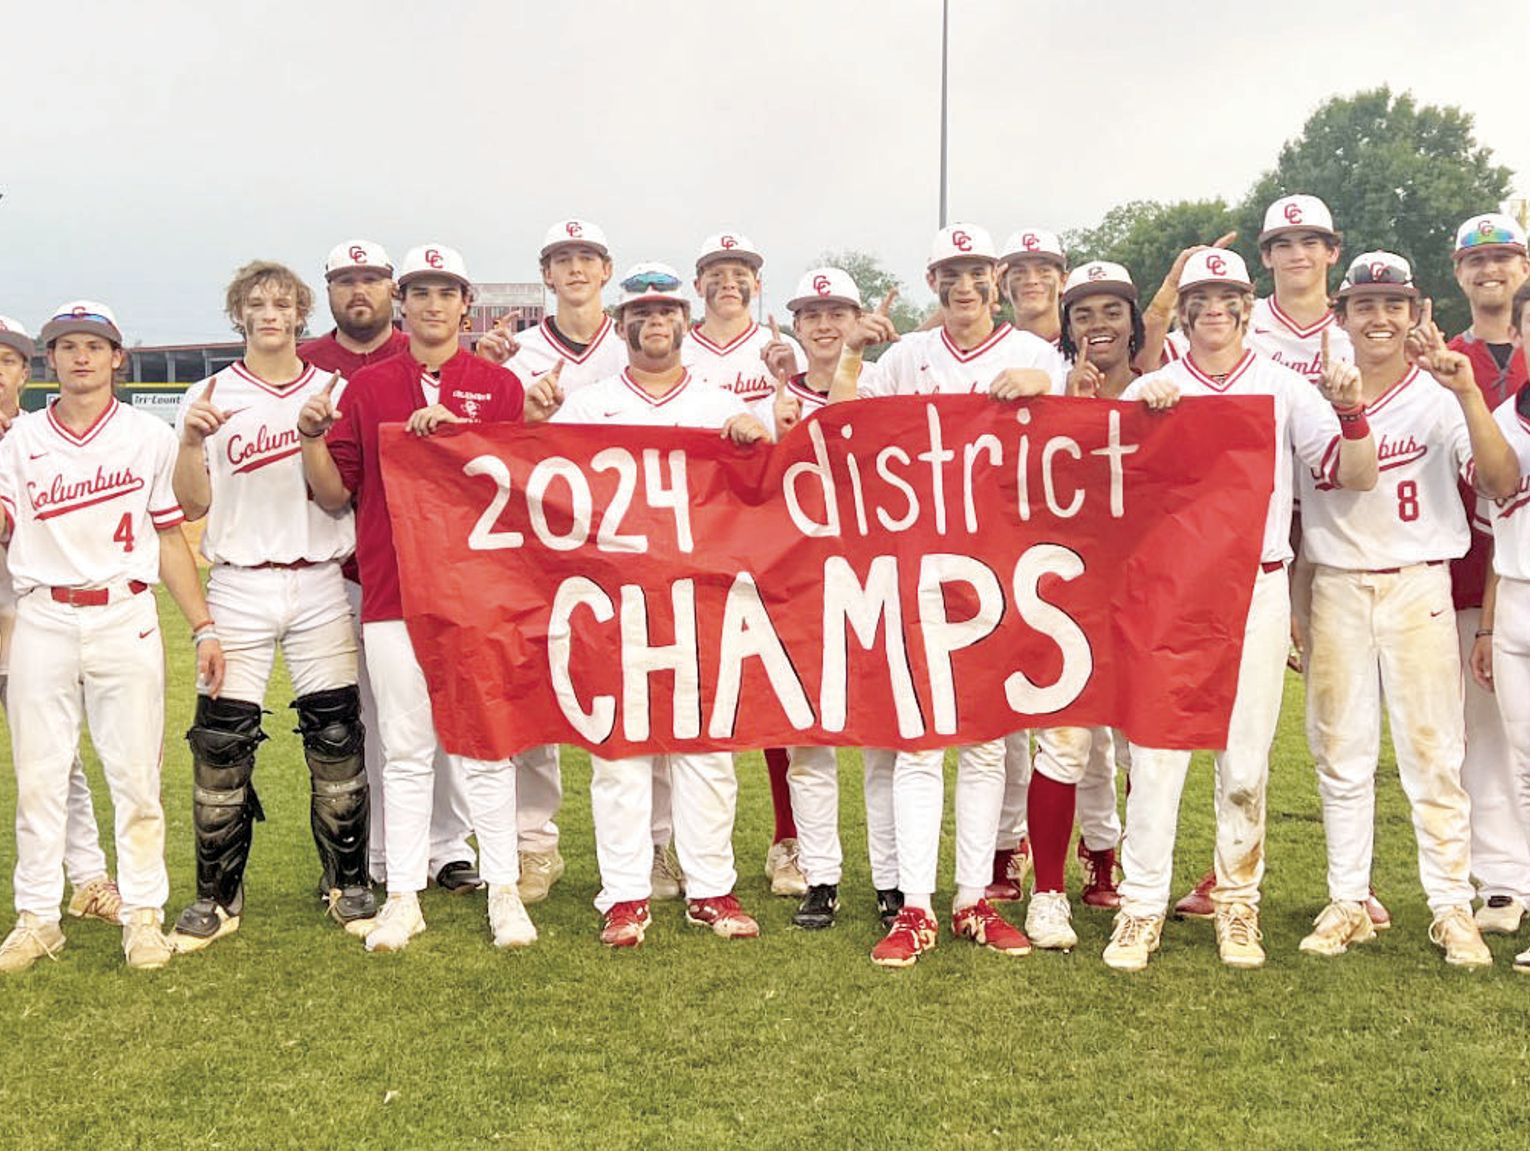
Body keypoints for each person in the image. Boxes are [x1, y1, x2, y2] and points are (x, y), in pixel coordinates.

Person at [1105, 249, 1377, 972]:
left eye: (1227, 297)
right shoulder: (1157, 385)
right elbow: (1111, 489)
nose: (1214, 310)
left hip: (1255, 583)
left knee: (1246, 758)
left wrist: (1351, 410)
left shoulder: (1281, 384)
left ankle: (1237, 900)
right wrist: (1143, 418)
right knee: (1157, 756)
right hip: (1171, 588)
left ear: (1246, 306)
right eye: (1201, 299)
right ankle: (1140, 906)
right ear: (1185, 311)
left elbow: (1354, 475)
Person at [830, 223, 1063, 967]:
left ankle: (971, 899)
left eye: (975, 272)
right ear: (932, 283)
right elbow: (841, 428)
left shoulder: (1034, 354)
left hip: (1001, 571)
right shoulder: (908, 356)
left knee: (987, 744)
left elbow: (1075, 444)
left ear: (996, 277)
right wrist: (852, 354)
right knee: (921, 743)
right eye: (949, 275)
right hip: (920, 569)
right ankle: (916, 906)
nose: (964, 286)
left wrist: (1047, 389)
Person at [299, 245, 536, 953]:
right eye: (422, 293)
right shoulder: (369, 387)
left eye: (446, 292)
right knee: (403, 750)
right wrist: (310, 439)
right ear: (403, 303)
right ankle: (404, 894)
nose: (434, 305)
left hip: (477, 595)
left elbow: (521, 488)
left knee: (487, 748)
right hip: (394, 587)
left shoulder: (498, 386)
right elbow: (334, 493)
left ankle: (503, 889)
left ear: (467, 305)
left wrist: (459, 441)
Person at [535, 261, 769, 947]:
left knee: (706, 749)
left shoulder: (720, 404)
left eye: (666, 310)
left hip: (701, 597)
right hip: (615, 599)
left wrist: (755, 441)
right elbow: (545, 490)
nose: (654, 322)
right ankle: (625, 893)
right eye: (641, 313)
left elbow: (762, 496)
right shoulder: (587, 406)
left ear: (684, 320)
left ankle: (711, 887)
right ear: (622, 324)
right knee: (619, 751)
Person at [1298, 253, 1514, 967]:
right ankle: (1348, 899)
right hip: (1337, 581)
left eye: (1394, 304)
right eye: (1365, 305)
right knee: (1341, 753)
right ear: (1342, 314)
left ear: (1416, 312)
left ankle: (1450, 906)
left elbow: (1497, 481)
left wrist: (1468, 393)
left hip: (1420, 580)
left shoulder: (1439, 390)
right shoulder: (1318, 391)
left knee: (1434, 754)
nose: (1380, 317)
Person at [0, 301, 225, 972]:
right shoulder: (21, 440)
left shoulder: (147, 436)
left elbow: (170, 538)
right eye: (67, 346)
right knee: (39, 777)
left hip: (125, 613)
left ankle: (143, 914)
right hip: (43, 614)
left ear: (116, 357)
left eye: (94, 346)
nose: (81, 357)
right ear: (50, 359)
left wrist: (203, 625)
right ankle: (37, 916)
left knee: (135, 778)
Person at [166, 261, 373, 951]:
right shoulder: (210, 392)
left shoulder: (333, 389)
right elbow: (191, 504)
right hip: (238, 582)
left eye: (283, 303)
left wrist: (313, 434)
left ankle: (346, 882)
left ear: (300, 314)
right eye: (257, 303)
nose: (270, 313)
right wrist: (190, 441)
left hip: (318, 577)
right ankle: (217, 894)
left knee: (336, 736)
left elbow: (339, 497)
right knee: (221, 744)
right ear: (240, 315)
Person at [476, 218, 626, 903]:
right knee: (535, 692)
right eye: (562, 259)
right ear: (546, 274)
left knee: (635, 692)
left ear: (606, 269)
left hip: (622, 545)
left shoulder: (632, 345)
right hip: (540, 546)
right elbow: (490, 447)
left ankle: (652, 845)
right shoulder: (517, 354)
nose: (575, 269)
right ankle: (534, 844)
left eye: (586, 257)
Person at [756, 267, 901, 932]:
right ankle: (820, 878)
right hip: (798, 585)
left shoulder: (882, 389)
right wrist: (769, 434)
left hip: (874, 578)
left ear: (856, 318)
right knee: (808, 743)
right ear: (795, 323)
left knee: (882, 740)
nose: (823, 324)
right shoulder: (772, 400)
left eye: (836, 312)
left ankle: (891, 880)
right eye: (811, 313)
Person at [680, 231, 809, 898]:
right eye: (716, 272)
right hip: (692, 533)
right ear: (697, 283)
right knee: (689, 687)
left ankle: (789, 839)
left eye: (740, 272)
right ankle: (683, 847)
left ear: (757, 283)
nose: (728, 282)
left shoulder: (781, 348)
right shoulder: (676, 344)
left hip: (768, 532)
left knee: (775, 685)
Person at [1021, 260, 1144, 950]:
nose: (1099, 325)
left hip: (1145, 587)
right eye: (1083, 314)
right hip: (1068, 586)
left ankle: (1122, 869)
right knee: (1064, 738)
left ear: (1134, 321)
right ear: (1067, 327)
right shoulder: (1048, 392)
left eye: (1112, 311)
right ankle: (1047, 893)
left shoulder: (1163, 389)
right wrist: (1059, 411)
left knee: (1137, 742)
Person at [0, 316, 123, 931]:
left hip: (23, 620)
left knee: (54, 760)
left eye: (5, 360)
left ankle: (88, 878)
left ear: (26, 371)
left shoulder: (36, 441)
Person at [1447, 213, 1530, 935]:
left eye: (1503, 257)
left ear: (1523, 267)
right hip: (1470, 572)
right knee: (1485, 734)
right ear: (1458, 273)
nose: (1490, 270)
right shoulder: (1443, 357)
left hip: (1517, 567)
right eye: (1476, 261)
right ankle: (1503, 879)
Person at [1470, 278, 1530, 973]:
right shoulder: (1506, 418)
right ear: (1516, 336)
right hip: (1515, 596)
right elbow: (1500, 496)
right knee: (1524, 765)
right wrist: (1486, 627)